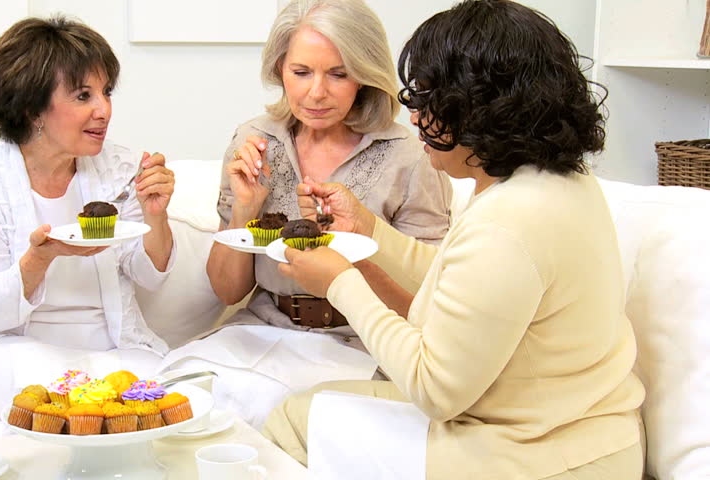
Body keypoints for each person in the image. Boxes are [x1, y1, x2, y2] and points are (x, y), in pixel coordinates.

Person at [266, 1, 646, 479]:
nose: (416, 116)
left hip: (541, 455)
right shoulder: (554, 182)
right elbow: (470, 290)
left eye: (429, 100)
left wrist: (340, 283)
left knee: (291, 422)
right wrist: (369, 230)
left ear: (480, 108)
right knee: (308, 406)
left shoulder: (510, 223)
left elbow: (435, 389)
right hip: (575, 432)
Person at [158, 0, 451, 428]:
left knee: (316, 426)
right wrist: (245, 208)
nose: (316, 92)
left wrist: (349, 254)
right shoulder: (253, 140)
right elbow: (226, 291)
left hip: (360, 344)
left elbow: (427, 306)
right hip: (259, 329)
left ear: (366, 76)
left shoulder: (410, 157)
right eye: (301, 73)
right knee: (169, 401)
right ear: (279, 70)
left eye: (338, 73)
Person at [0, 16, 176, 419]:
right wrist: (38, 259)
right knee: (43, 383)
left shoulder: (123, 169)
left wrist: (157, 217)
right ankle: (1, 406)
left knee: (167, 387)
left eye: (106, 92)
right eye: (83, 96)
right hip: (15, 349)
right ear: (32, 110)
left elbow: (150, 277)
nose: (104, 110)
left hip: (112, 350)